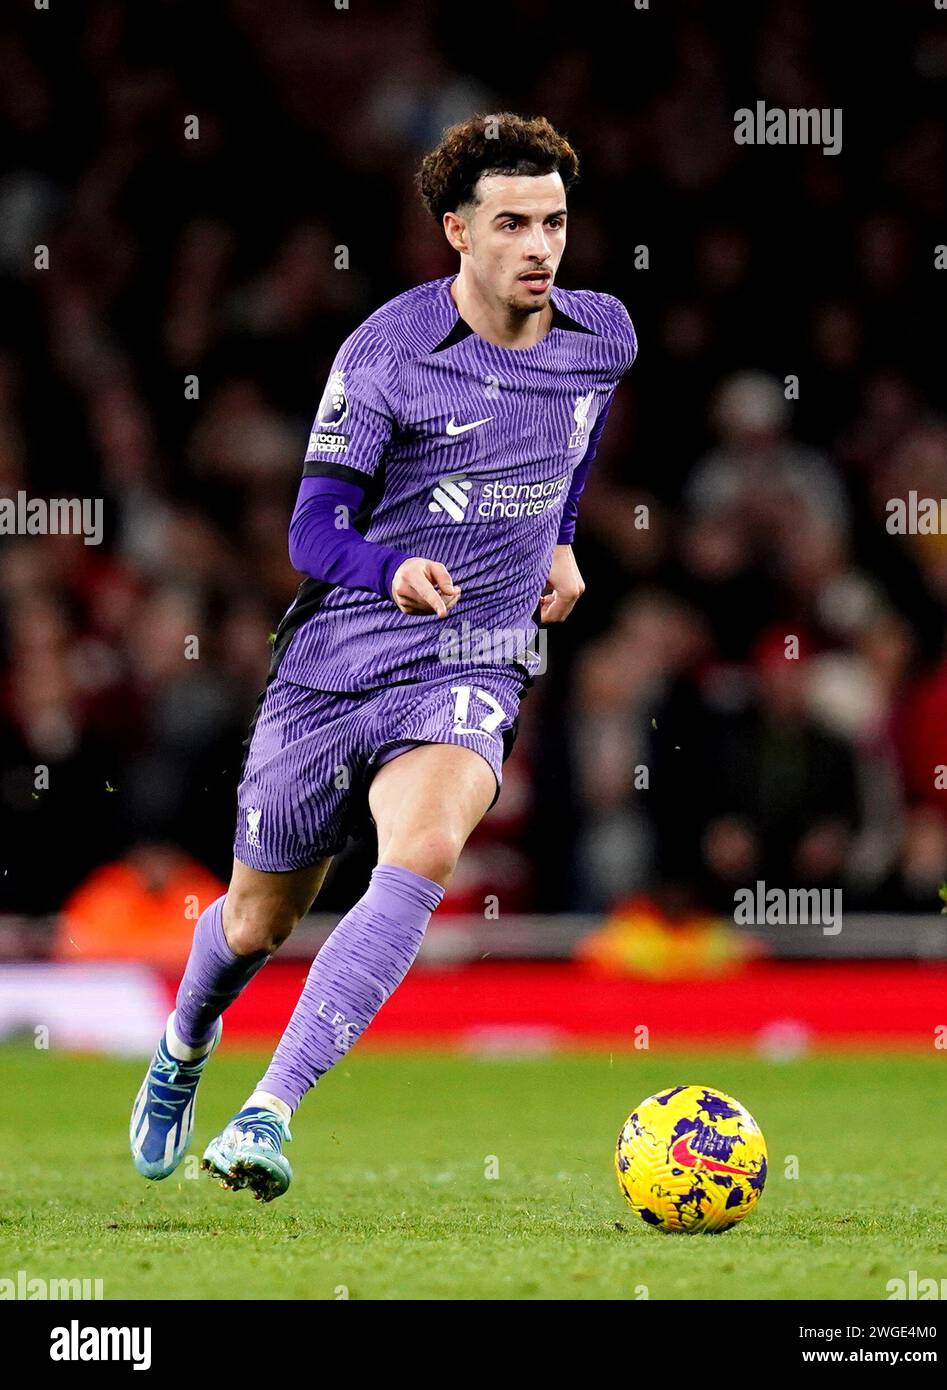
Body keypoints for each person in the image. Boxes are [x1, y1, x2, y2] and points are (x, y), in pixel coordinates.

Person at [129, 112, 637, 1201]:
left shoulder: (605, 336)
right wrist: (387, 569)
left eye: (553, 221)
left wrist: (561, 536)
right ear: (458, 230)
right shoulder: (387, 352)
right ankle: (183, 1045)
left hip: (477, 656)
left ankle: (270, 1111)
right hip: (337, 661)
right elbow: (311, 531)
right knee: (260, 918)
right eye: (511, 223)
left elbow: (577, 443)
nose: (539, 246)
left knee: (425, 848)